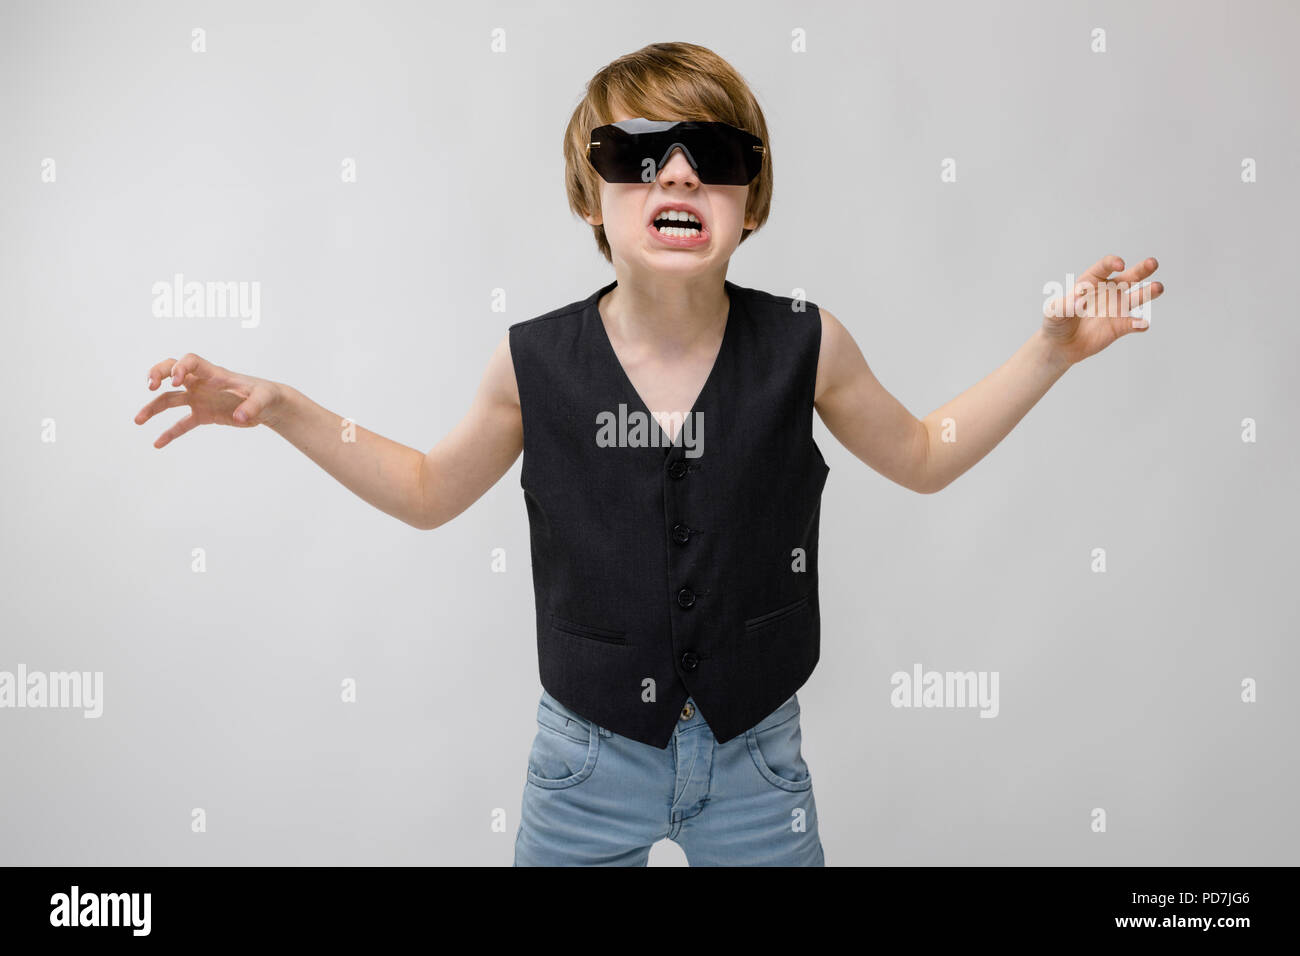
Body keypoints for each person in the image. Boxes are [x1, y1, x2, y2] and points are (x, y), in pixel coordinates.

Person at [133, 41, 1164, 866]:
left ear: (748, 200)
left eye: (714, 156)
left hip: (758, 758)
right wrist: (281, 406)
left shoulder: (808, 340)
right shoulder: (530, 358)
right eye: (637, 154)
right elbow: (426, 488)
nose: (677, 171)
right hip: (582, 762)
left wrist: (1048, 353)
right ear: (592, 196)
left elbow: (926, 454)